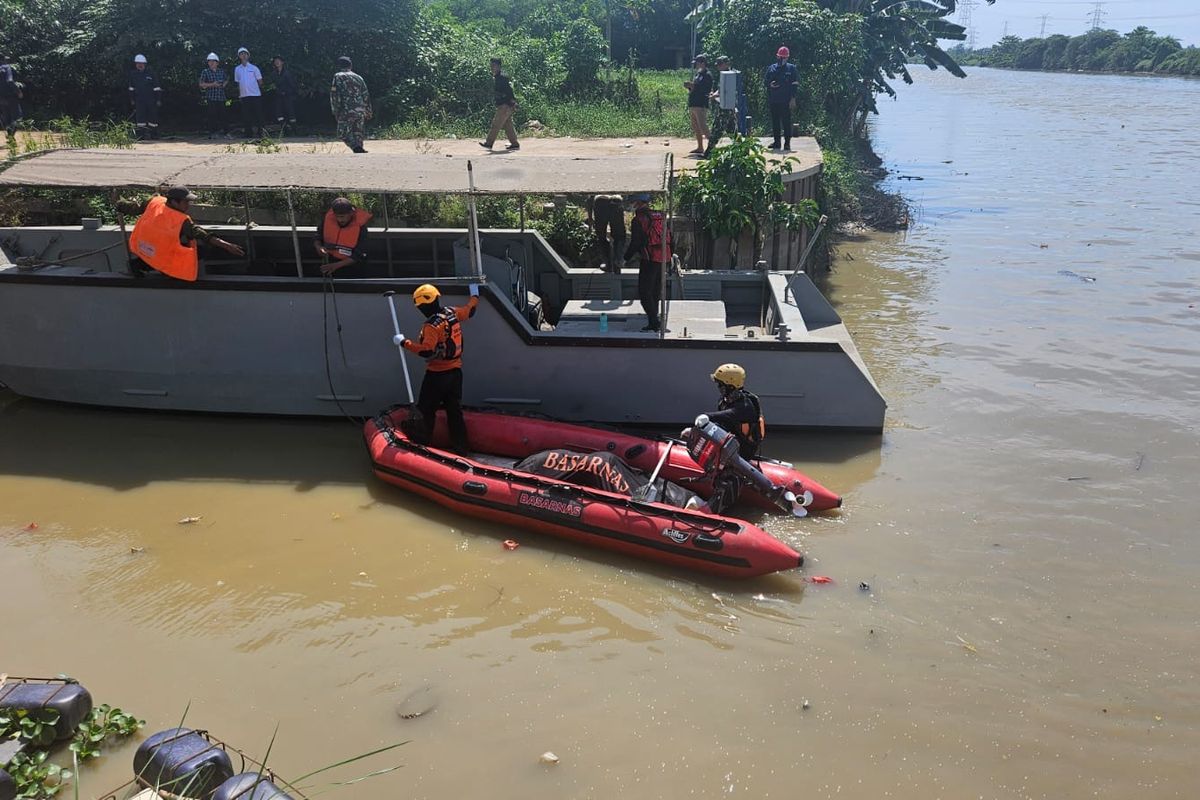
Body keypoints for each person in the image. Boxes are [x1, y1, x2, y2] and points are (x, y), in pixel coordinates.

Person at [399, 283, 480, 454]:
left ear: (422, 306)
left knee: (427, 411)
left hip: (436, 375)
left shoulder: (431, 326)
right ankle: (461, 446)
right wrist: (475, 295)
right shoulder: (452, 313)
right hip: (456, 373)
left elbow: (427, 350)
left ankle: (422, 446)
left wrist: (404, 343)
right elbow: (470, 310)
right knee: (454, 411)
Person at [126, 186, 245, 281]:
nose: (188, 205)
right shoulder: (181, 220)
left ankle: (138, 264)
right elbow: (202, 235)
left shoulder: (154, 201)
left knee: (159, 254)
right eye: (185, 202)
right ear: (174, 202)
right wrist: (227, 246)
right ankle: (167, 270)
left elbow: (134, 209)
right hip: (159, 252)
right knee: (202, 250)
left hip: (143, 247)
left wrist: (120, 204)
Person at [694, 363, 766, 514]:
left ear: (730, 385)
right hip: (731, 442)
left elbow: (730, 415)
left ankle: (709, 510)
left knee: (729, 479)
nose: (718, 388)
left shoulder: (745, 406)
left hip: (742, 451)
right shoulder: (728, 399)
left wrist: (707, 416)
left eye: (720, 384)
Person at [623, 193, 672, 332]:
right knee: (655, 290)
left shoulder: (639, 220)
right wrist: (670, 256)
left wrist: (625, 258)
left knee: (644, 292)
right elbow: (670, 236)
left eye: (632, 202)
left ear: (638, 203)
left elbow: (636, 243)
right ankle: (654, 319)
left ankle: (654, 322)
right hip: (663, 256)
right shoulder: (659, 215)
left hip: (649, 258)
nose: (631, 205)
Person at [313, 197, 371, 277]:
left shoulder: (361, 227)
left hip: (353, 267)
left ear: (351, 213)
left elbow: (360, 254)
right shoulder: (327, 220)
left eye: (343, 216)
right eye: (337, 216)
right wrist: (319, 247)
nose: (340, 220)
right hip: (330, 262)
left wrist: (336, 265)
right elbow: (318, 236)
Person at [702, 55, 743, 160]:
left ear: (726, 64)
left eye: (720, 64)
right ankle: (741, 151)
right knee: (732, 130)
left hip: (725, 109)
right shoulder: (724, 75)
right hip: (726, 107)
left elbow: (726, 91)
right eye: (717, 64)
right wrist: (714, 94)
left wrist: (714, 96)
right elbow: (720, 90)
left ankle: (709, 152)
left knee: (717, 129)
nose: (718, 67)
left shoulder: (730, 75)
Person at [330, 56, 372, 153]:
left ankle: (355, 147)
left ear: (339, 66)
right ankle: (359, 150)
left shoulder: (338, 76)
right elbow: (365, 94)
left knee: (342, 133)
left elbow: (335, 95)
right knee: (358, 133)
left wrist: (335, 110)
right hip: (360, 109)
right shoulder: (358, 77)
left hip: (346, 109)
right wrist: (368, 110)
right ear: (351, 65)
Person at [480, 57, 519, 152]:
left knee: (496, 124)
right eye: (491, 66)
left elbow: (509, 91)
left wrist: (513, 102)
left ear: (499, 66)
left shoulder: (502, 77)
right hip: (505, 104)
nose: (492, 68)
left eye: (494, 66)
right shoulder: (498, 76)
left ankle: (489, 143)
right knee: (508, 125)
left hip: (505, 105)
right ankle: (514, 144)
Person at [765, 46, 799, 151]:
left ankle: (787, 143)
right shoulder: (771, 68)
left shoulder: (791, 68)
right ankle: (777, 142)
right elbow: (765, 82)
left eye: (784, 58)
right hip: (774, 100)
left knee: (786, 122)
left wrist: (793, 99)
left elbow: (795, 84)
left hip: (785, 101)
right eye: (781, 57)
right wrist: (770, 85)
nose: (782, 59)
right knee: (775, 122)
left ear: (787, 58)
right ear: (777, 56)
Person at [586, 194, 625, 272]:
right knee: (619, 235)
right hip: (616, 200)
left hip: (601, 201)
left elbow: (590, 199)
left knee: (601, 235)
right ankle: (618, 261)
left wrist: (590, 218)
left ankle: (608, 263)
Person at [683, 54, 713, 156]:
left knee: (703, 126)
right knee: (695, 126)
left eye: (697, 62)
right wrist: (690, 87)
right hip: (694, 103)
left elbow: (705, 89)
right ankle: (700, 147)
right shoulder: (698, 74)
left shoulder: (707, 75)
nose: (695, 65)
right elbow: (695, 88)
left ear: (702, 63)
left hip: (701, 104)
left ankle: (712, 147)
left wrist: (693, 85)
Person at [128, 54, 162, 140]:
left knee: (153, 118)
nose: (140, 65)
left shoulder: (151, 74)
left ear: (145, 64)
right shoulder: (133, 74)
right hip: (139, 100)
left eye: (141, 63)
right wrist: (132, 99)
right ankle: (140, 136)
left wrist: (158, 99)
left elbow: (157, 87)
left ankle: (154, 135)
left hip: (151, 99)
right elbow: (131, 88)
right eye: (138, 63)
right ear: (136, 64)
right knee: (140, 118)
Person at [233, 47, 265, 139]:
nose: (243, 55)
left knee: (258, 114)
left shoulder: (254, 68)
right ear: (239, 56)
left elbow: (260, 81)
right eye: (241, 54)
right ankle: (248, 133)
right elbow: (238, 82)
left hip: (255, 95)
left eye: (245, 53)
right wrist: (240, 94)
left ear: (248, 55)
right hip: (244, 96)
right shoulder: (237, 69)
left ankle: (261, 132)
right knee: (246, 115)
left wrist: (254, 89)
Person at [198, 53, 228, 139]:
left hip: (221, 97)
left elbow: (226, 79)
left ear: (217, 63)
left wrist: (224, 84)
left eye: (213, 61)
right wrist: (212, 84)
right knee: (212, 116)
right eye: (209, 61)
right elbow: (201, 84)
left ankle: (226, 132)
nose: (211, 63)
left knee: (223, 115)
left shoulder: (221, 71)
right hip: (211, 97)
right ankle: (213, 133)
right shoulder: (205, 72)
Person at [270, 56, 298, 126]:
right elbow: (273, 85)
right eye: (275, 61)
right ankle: (284, 129)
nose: (277, 62)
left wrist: (286, 92)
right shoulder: (273, 74)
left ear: (282, 62)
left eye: (278, 60)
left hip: (287, 96)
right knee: (279, 113)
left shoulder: (287, 73)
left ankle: (294, 129)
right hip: (278, 96)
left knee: (290, 112)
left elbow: (292, 85)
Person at [0, 56, 23, 137]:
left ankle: (10, 138)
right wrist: (18, 91)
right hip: (11, 97)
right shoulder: (6, 67)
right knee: (18, 118)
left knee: (7, 119)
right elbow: (10, 80)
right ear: (3, 60)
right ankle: (11, 136)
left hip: (1, 99)